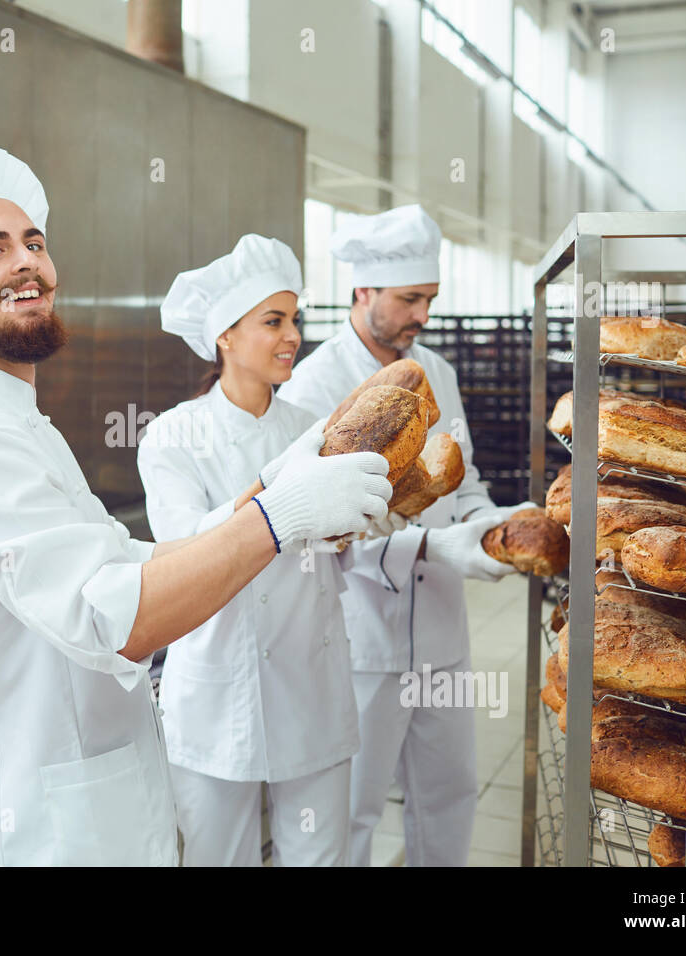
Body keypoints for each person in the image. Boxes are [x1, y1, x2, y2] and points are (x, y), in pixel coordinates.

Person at [0, 140, 396, 866]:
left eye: (34, 243)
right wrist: (281, 519)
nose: (25, 262)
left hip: (94, 807)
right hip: (46, 828)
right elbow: (121, 616)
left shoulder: (18, 423)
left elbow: (125, 559)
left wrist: (267, 494)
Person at [136, 235, 401, 866]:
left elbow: (339, 540)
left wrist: (357, 522)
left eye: (296, 320)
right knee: (216, 857)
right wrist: (280, 488)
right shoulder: (175, 435)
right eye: (273, 321)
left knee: (320, 857)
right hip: (215, 690)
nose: (292, 336)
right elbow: (181, 548)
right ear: (225, 336)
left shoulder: (312, 426)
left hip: (310, 677)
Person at [278, 204, 528, 867]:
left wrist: (487, 526)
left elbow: (462, 477)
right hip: (362, 634)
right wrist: (424, 545)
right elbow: (319, 529)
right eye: (409, 299)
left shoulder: (436, 373)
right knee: (353, 809)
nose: (422, 314)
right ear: (364, 292)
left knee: (449, 790)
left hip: (443, 630)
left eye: (429, 299)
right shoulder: (315, 385)